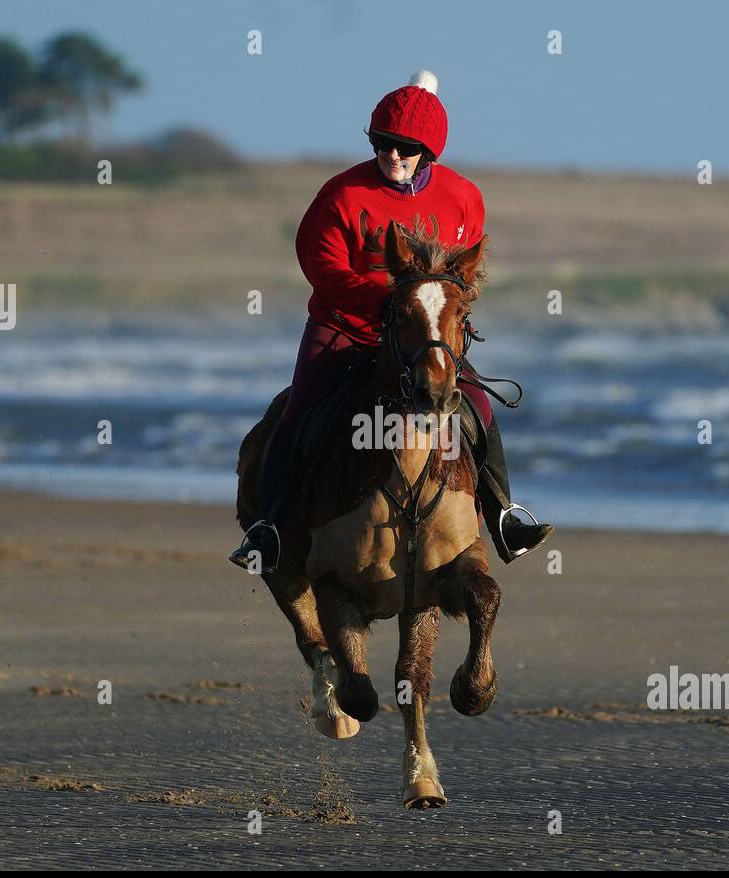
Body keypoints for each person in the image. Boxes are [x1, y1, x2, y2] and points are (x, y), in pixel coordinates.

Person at [231, 70, 552, 574]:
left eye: (405, 147)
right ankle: (268, 528)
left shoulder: (464, 196)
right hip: (344, 327)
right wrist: (386, 300)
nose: (393, 156)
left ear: (429, 151)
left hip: (422, 336)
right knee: (300, 412)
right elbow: (321, 266)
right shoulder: (340, 195)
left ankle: (504, 515)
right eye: (382, 144)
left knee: (479, 410)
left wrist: (441, 310)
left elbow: (462, 272)